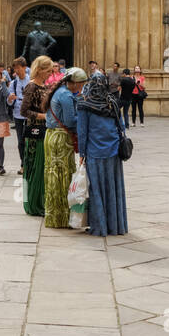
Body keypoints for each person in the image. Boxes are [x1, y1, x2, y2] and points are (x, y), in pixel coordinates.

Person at [76, 71, 128, 237]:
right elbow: (121, 125)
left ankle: (100, 226)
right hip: (113, 150)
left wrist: (82, 152)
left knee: (97, 188)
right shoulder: (111, 100)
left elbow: (82, 131)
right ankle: (116, 226)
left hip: (95, 151)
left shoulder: (85, 103)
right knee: (113, 187)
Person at [44, 67, 86, 229]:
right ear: (74, 83)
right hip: (61, 138)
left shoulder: (59, 91)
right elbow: (70, 121)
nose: (81, 87)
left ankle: (54, 216)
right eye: (81, 84)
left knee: (53, 176)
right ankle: (62, 217)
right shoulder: (66, 95)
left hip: (51, 136)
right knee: (63, 177)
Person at [21, 56, 54, 215]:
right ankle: (33, 205)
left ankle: (40, 202)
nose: (50, 73)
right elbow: (24, 111)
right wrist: (43, 116)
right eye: (48, 71)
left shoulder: (44, 86)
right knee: (35, 168)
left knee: (42, 169)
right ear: (39, 70)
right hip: (35, 133)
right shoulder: (31, 86)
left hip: (44, 131)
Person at [8, 57, 29, 175]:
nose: (16, 71)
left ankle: (30, 163)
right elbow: (9, 102)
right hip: (18, 115)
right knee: (21, 141)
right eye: (15, 69)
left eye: (18, 68)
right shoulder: (13, 83)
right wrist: (10, 99)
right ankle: (23, 164)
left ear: (24, 68)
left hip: (30, 115)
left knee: (29, 141)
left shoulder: (31, 81)